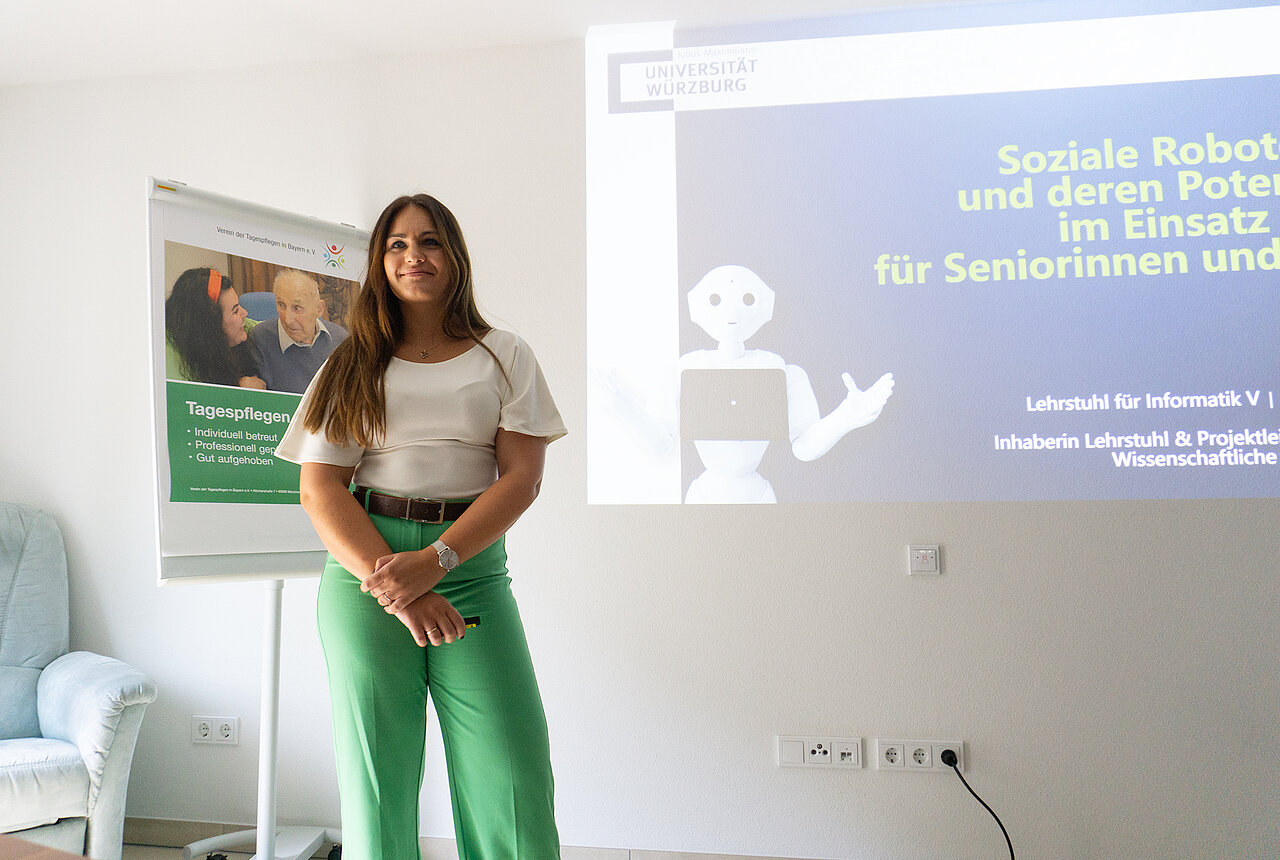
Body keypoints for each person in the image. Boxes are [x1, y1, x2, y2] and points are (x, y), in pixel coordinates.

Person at [275, 194, 566, 860]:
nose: (414, 257)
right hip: (364, 578)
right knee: (378, 782)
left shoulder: (505, 354)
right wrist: (398, 585)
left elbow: (521, 479)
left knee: (512, 776)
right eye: (398, 245)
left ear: (455, 256)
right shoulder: (351, 362)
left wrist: (436, 560)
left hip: (469, 570)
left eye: (430, 242)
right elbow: (320, 489)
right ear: (381, 261)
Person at [247, 268, 349, 393]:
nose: (288, 319)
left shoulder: (340, 339)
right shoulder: (260, 337)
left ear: (319, 309)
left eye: (297, 308)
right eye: (281, 305)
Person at [164, 267, 266, 388]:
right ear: (212, 325)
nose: (245, 313)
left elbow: (271, 328)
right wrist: (239, 390)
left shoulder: (242, 326)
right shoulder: (171, 366)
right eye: (236, 310)